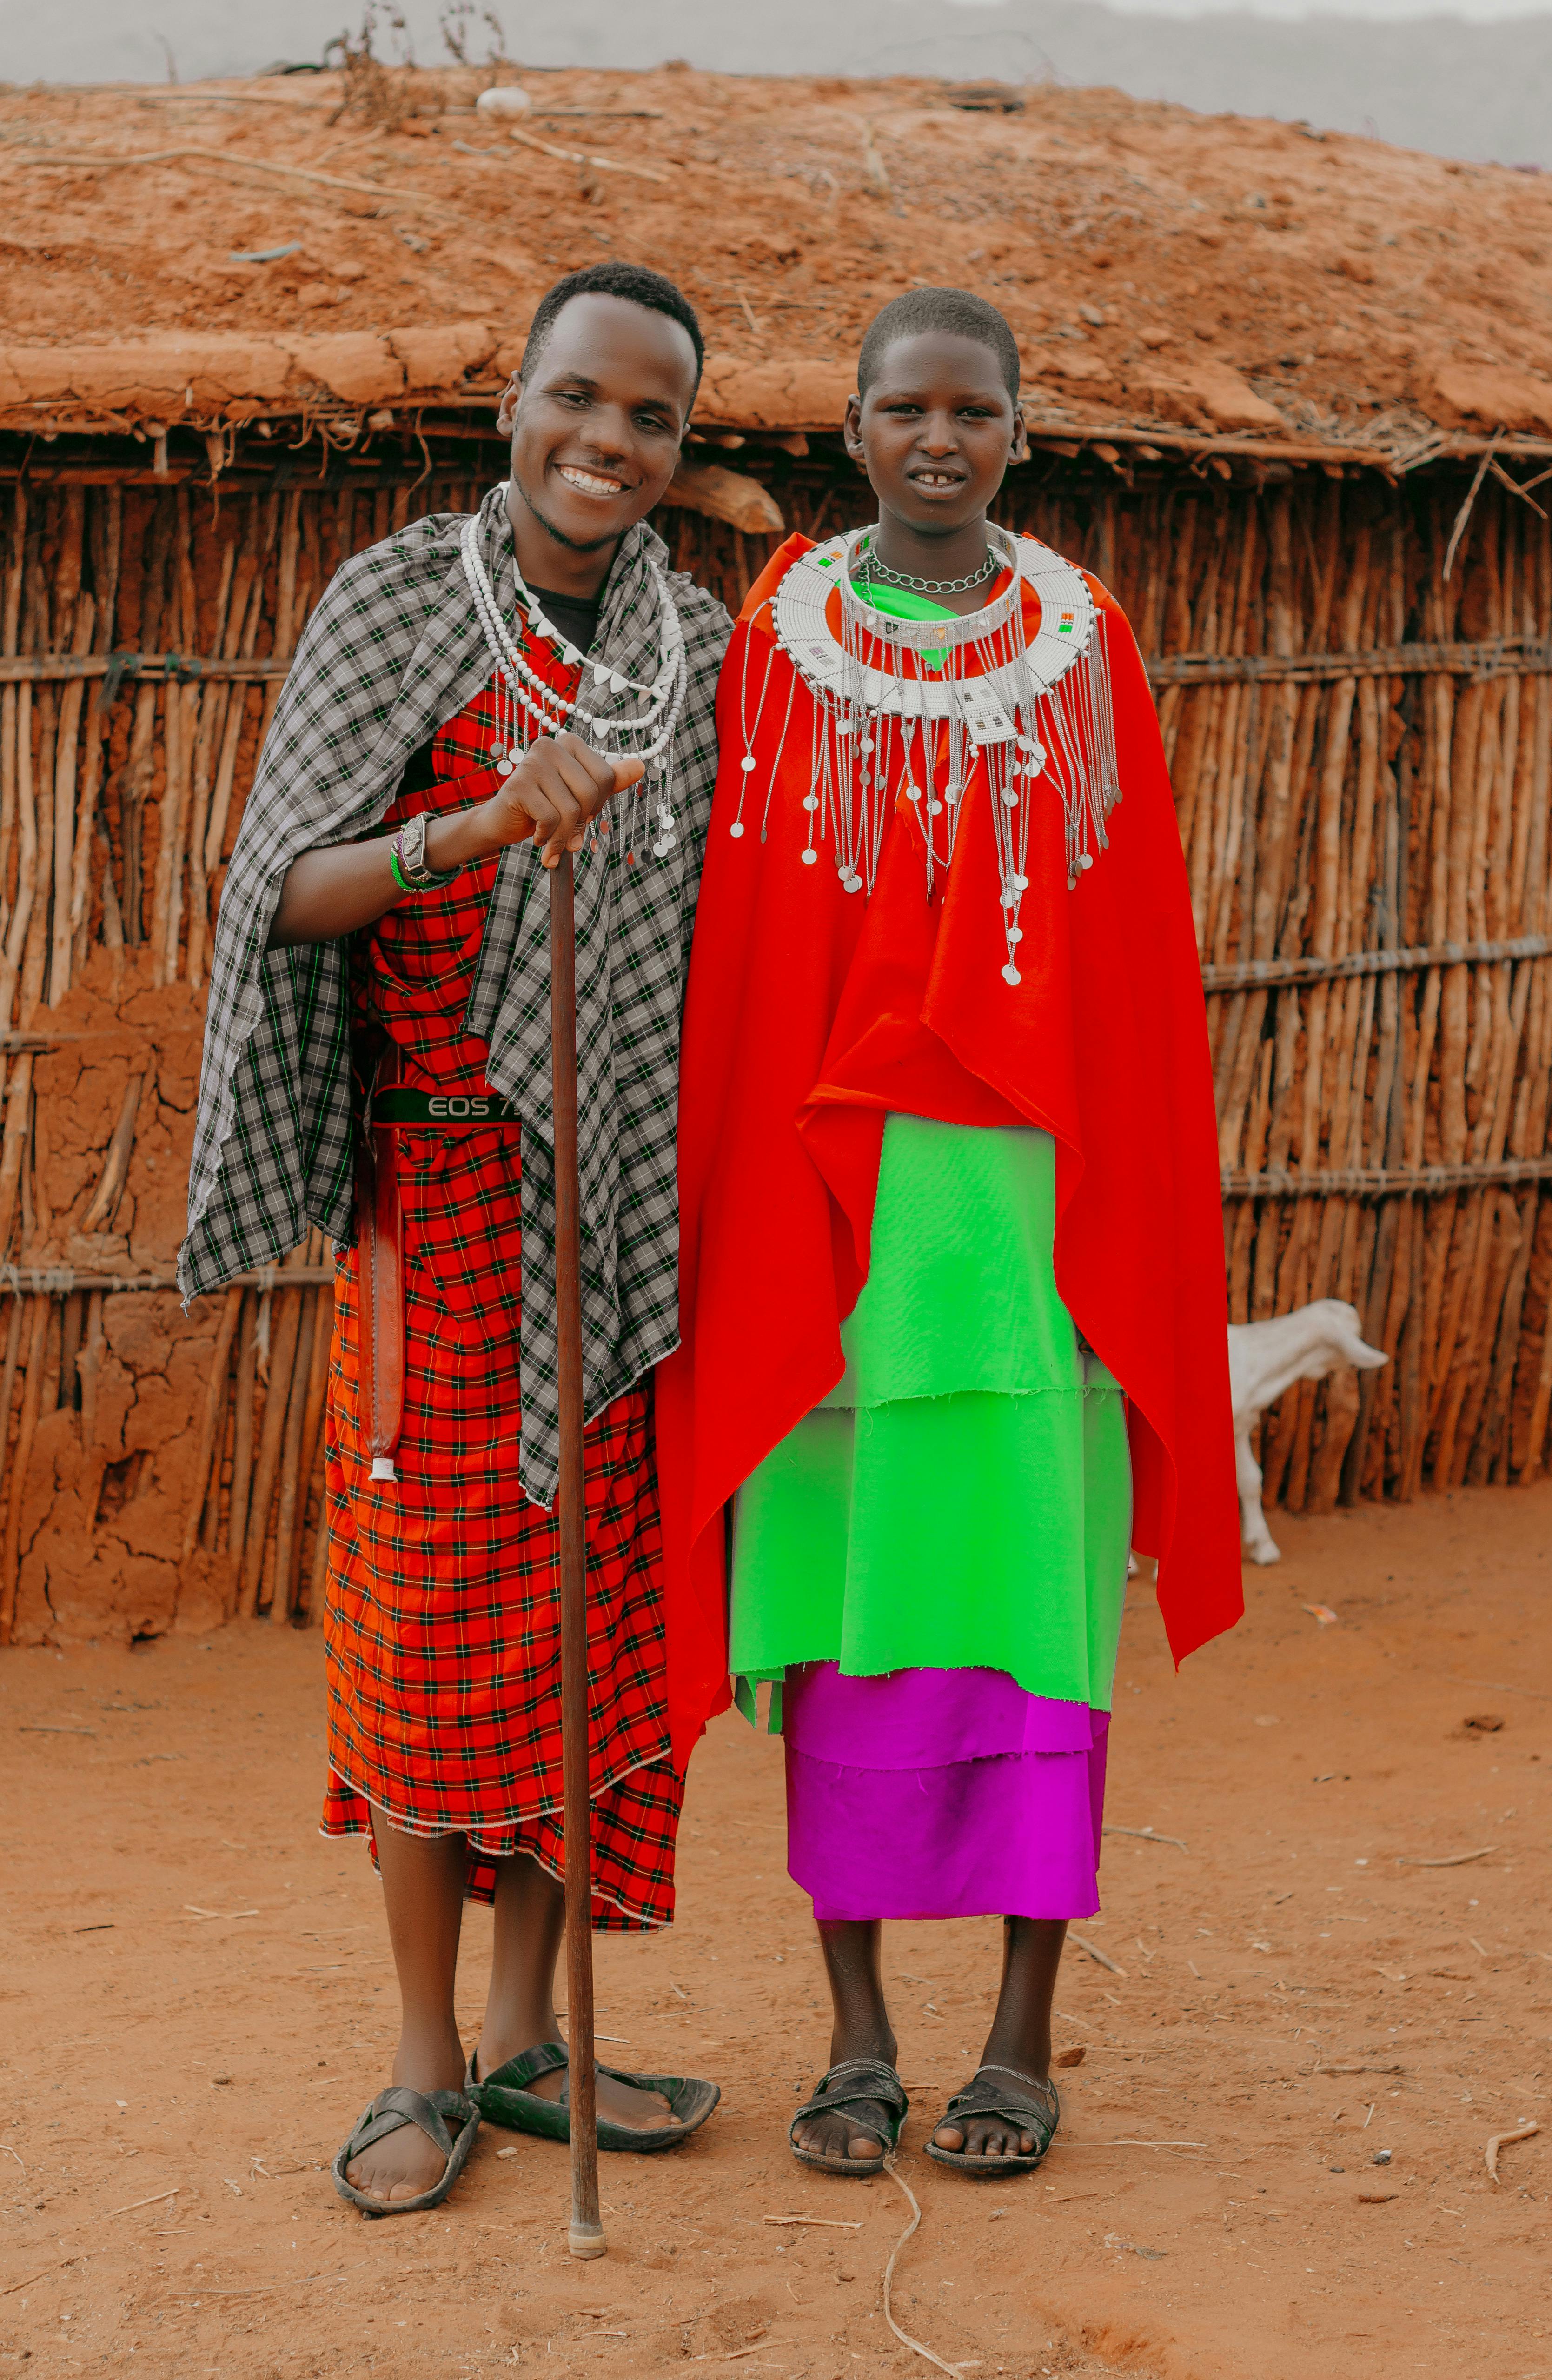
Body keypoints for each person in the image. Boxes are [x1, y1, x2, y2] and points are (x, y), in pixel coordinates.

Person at [657, 287, 1242, 2178]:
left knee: (1024, 1617)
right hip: (831, 1236)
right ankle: (854, 2041)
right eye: (903, 407)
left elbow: (1135, 971)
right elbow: (742, 956)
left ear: (1017, 428)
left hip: (1029, 1240)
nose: (938, 439)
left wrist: (1123, 1239)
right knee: (845, 1623)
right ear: (846, 426)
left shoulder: (1084, 651)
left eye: (971, 410)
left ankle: (1020, 2042)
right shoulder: (777, 645)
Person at [182, 262, 730, 2215]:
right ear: (513, 403)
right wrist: (481, 826)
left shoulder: (700, 652)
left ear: (682, 447)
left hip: (623, 1230)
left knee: (598, 1651)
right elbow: (279, 896)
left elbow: (718, 967)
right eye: (580, 397)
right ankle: (419, 2060)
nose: (611, 442)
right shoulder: (399, 604)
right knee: (426, 1648)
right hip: (438, 1218)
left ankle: (524, 2044)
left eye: (654, 417)